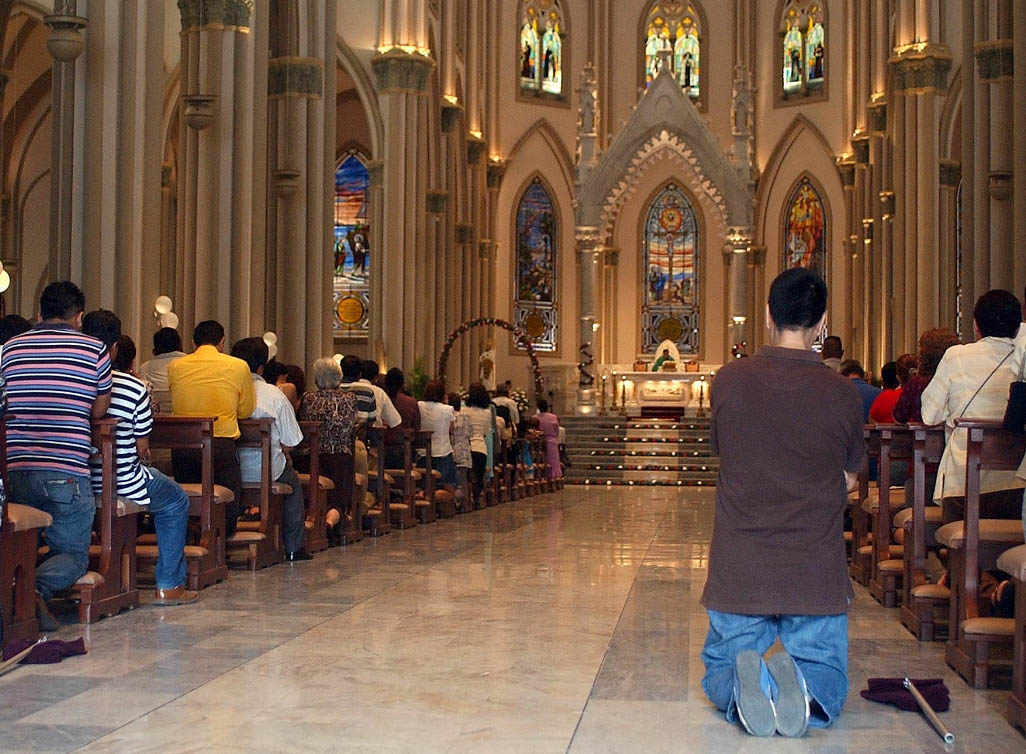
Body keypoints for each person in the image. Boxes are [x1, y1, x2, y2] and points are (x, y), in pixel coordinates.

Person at [701, 267, 864, 737]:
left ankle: (746, 688)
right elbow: (851, 480)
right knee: (829, 682)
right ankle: (803, 689)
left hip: (740, 569)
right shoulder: (841, 391)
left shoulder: (728, 380)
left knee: (719, 671)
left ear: (768, 315)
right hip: (814, 571)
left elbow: (727, 453)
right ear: (822, 320)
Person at [1, 282, 113, 630]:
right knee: (74, 554)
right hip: (65, 470)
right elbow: (99, 410)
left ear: (39, 313)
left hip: (15, 468)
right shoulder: (95, 350)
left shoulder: (9, 348)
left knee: (19, 544)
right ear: (79, 316)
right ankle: (34, 590)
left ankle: (18, 591)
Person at [82, 311, 197, 606]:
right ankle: (169, 584)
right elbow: (141, 448)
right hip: (123, 480)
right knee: (176, 500)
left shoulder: (72, 380)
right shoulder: (133, 387)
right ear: (116, 347)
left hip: (81, 480)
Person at [921, 290, 1025, 521]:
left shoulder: (957, 356)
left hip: (965, 489)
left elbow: (929, 415)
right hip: (1017, 489)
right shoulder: (1023, 357)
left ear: (976, 326)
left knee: (952, 539)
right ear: (1018, 328)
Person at [167, 320, 256, 536]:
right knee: (228, 495)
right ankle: (220, 537)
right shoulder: (238, 366)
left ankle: (190, 535)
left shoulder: (175, 367)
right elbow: (246, 410)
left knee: (187, 494)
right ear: (222, 342)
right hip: (221, 444)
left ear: (192, 343)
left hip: (184, 446)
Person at [230, 337, 310, 561]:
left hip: (231, 469)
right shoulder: (275, 395)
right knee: (292, 482)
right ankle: (294, 546)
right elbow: (291, 441)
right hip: (267, 471)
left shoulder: (227, 391)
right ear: (262, 367)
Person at [297, 358, 359, 544]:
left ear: (316, 379)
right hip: (340, 457)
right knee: (338, 496)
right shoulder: (350, 399)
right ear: (338, 378)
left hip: (311, 458)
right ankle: (330, 522)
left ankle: (314, 519)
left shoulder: (308, 398)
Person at [892, 329, 960, 424]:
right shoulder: (960, 380)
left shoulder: (916, 384)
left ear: (924, 355)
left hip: (924, 437)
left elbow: (898, 418)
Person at [418, 380, 457, 495]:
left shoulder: (419, 405)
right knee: (448, 485)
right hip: (443, 452)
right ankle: (439, 499)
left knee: (423, 484)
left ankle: (424, 495)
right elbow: (451, 429)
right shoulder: (448, 409)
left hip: (423, 453)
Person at [138, 327, 186, 413]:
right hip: (186, 416)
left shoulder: (144, 368)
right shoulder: (189, 363)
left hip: (156, 420)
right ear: (180, 345)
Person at [462, 383, 494, 508]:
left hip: (467, 448)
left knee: (467, 476)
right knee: (478, 477)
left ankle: (466, 498)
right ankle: (476, 498)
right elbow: (486, 431)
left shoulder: (463, 410)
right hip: (480, 448)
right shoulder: (487, 413)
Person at [383, 367, 420, 469]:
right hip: (404, 450)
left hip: (382, 450)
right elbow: (416, 429)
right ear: (402, 384)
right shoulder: (411, 402)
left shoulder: (382, 400)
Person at [359, 359, 402, 430]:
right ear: (375, 377)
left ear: (359, 374)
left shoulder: (344, 388)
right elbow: (396, 422)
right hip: (372, 436)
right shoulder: (379, 392)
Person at [448, 392, 473, 511]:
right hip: (463, 452)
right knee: (462, 479)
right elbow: (470, 434)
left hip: (450, 450)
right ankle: (464, 504)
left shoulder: (448, 416)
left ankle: (454, 502)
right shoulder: (466, 418)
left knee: (452, 479)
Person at [535, 398, 562, 479]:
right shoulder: (553, 417)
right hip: (551, 440)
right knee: (553, 461)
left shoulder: (535, 417)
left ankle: (540, 476)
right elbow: (556, 430)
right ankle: (554, 476)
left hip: (537, 441)